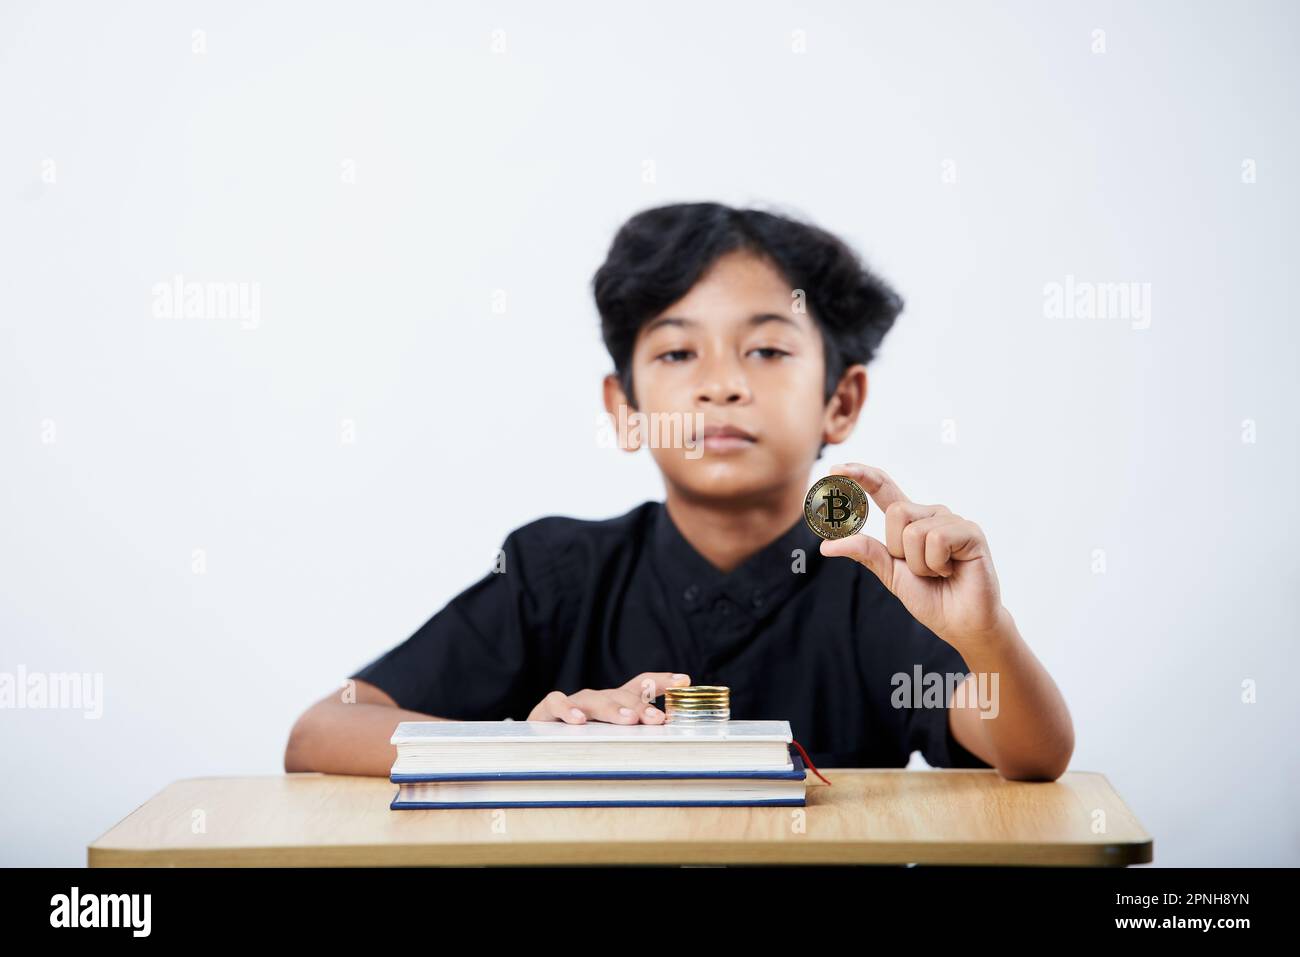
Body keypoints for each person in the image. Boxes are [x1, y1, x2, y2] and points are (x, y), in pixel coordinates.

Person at [284, 202, 1074, 780]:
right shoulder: (554, 570)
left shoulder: (873, 580)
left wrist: (986, 635)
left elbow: (1035, 753)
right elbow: (322, 730)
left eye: (766, 349)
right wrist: (529, 741)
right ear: (624, 410)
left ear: (843, 401)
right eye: (676, 354)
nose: (722, 385)